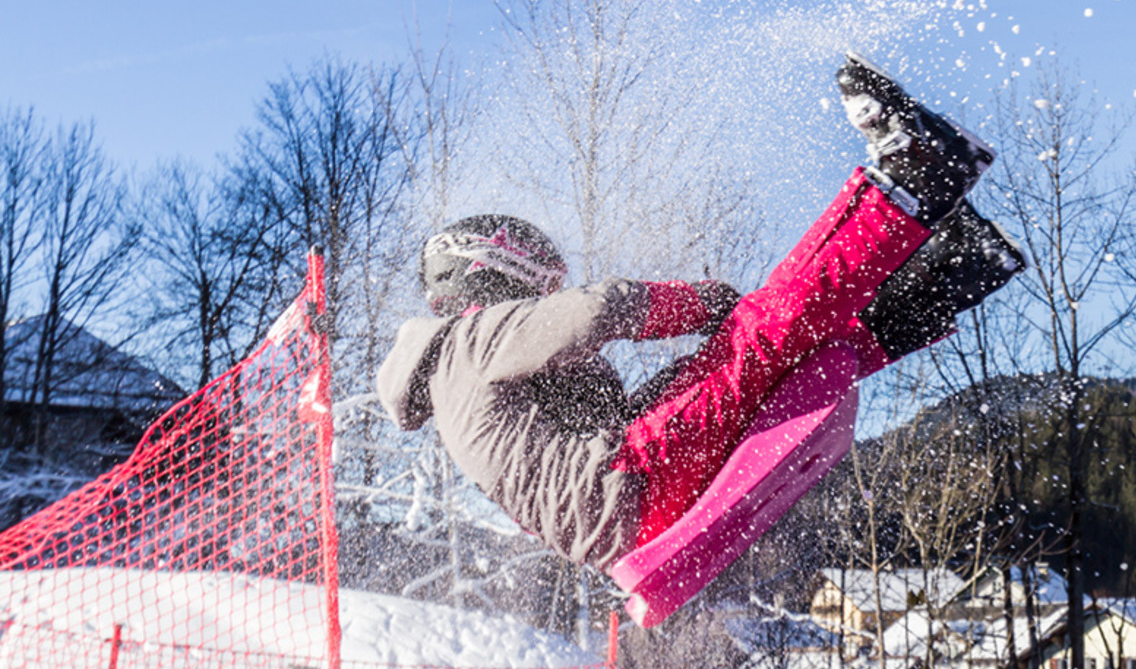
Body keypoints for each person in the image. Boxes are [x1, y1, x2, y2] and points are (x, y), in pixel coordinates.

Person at [374, 57, 1024, 569]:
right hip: (624, 482)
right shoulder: (471, 340)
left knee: (779, 365)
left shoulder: (453, 382)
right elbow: (604, 308)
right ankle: (917, 172)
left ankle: (953, 271)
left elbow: (588, 413)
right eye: (538, 279)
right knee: (759, 334)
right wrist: (708, 303)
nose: (547, 290)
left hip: (621, 509)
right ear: (489, 270)